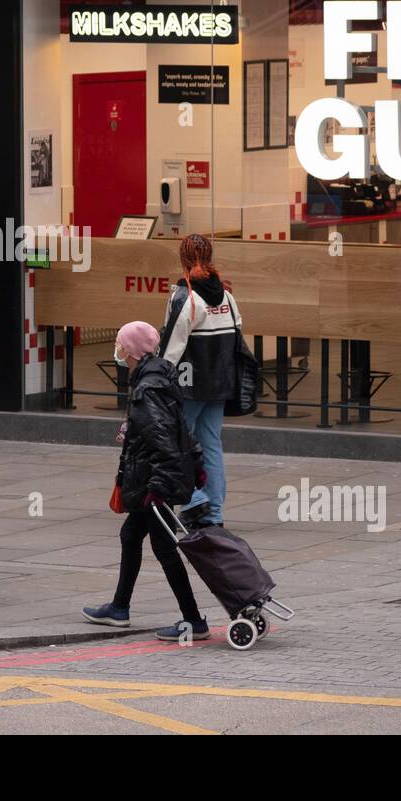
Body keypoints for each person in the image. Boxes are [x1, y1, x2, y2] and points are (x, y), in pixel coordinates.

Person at [81, 321, 207, 641]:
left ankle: (194, 620)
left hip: (154, 482)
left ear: (133, 351)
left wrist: (157, 489)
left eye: (120, 344)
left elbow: (163, 438)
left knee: (165, 549)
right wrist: (195, 461)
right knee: (130, 536)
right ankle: (119, 608)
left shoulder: (147, 388)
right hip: (153, 480)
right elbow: (180, 427)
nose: (117, 349)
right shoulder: (157, 377)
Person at [160, 234, 240, 529]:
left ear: (182, 259)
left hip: (188, 384)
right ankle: (214, 513)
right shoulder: (226, 295)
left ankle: (194, 500)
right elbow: (238, 332)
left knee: (176, 441)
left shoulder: (184, 297)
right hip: (219, 383)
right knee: (211, 444)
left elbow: (171, 347)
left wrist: (158, 379)